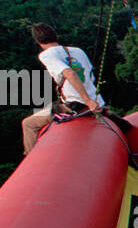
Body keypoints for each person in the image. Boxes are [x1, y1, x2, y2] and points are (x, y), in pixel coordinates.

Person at [21, 23, 104, 156]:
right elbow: (90, 76)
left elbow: (69, 73)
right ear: (56, 36)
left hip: (77, 104)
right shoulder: (78, 50)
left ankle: (31, 161)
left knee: (28, 124)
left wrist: (87, 101)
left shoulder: (45, 55)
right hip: (97, 101)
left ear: (38, 41)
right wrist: (91, 100)